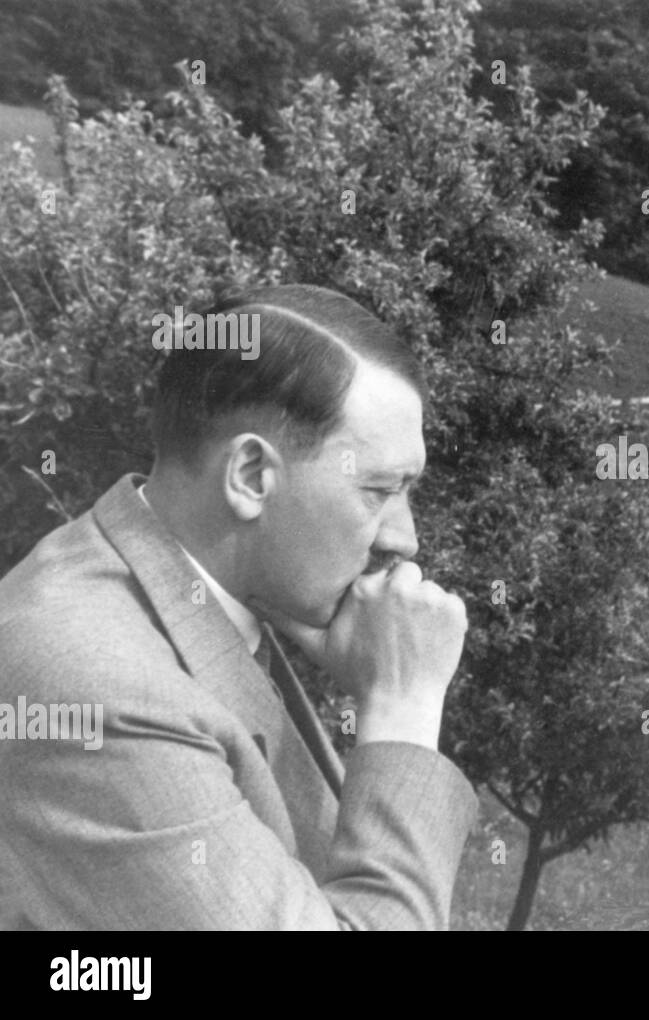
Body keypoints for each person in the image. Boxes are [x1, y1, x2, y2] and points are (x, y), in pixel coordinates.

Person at [0, 284, 479, 929]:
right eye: (378, 491)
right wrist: (403, 704)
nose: (405, 539)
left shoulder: (197, 592)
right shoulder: (102, 689)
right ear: (251, 476)